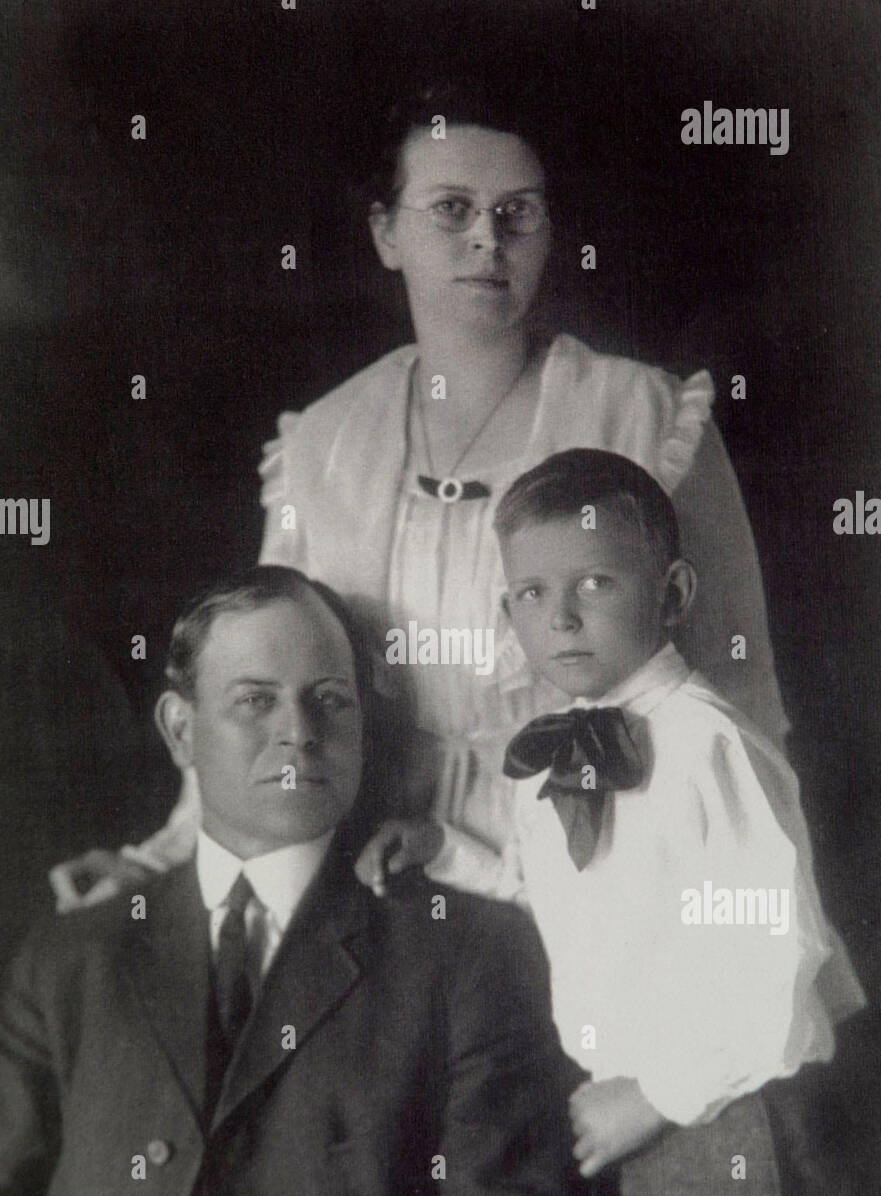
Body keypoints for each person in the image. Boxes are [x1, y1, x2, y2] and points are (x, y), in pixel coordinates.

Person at [51, 80, 788, 916]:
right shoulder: (324, 441)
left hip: (607, 869)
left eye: (518, 213)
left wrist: (742, 919)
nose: (487, 240)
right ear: (385, 233)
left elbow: (742, 691)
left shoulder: (643, 416)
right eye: (451, 209)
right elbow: (255, 679)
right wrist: (160, 858)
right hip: (375, 870)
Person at [364, 451, 866, 1196]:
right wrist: (444, 849)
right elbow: (556, 896)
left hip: (736, 1104)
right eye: (532, 594)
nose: (560, 618)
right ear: (507, 613)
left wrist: (655, 1098)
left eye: (594, 584)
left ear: (671, 595)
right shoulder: (550, 755)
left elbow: (777, 960)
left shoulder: (710, 748)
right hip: (642, 1113)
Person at [0, 566, 571, 1196]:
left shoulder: (468, 953)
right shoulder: (74, 955)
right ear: (181, 729)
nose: (298, 734)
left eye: (330, 701)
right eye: (255, 701)